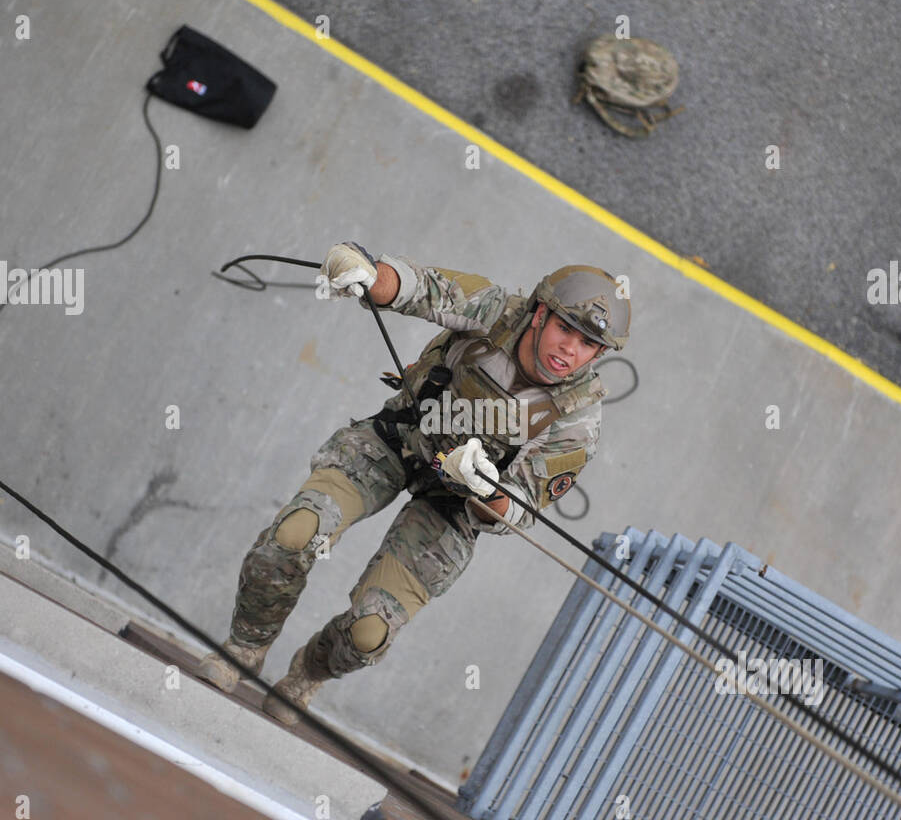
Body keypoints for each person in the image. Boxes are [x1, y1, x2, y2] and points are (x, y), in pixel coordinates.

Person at [198, 242, 632, 725]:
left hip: (453, 508)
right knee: (295, 533)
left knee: (368, 634)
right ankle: (245, 648)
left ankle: (307, 674)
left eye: (588, 344)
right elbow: (420, 288)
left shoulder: (579, 417)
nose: (570, 351)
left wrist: (487, 489)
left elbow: (521, 511)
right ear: (539, 315)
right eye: (565, 329)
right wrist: (366, 272)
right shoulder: (495, 311)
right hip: (400, 440)